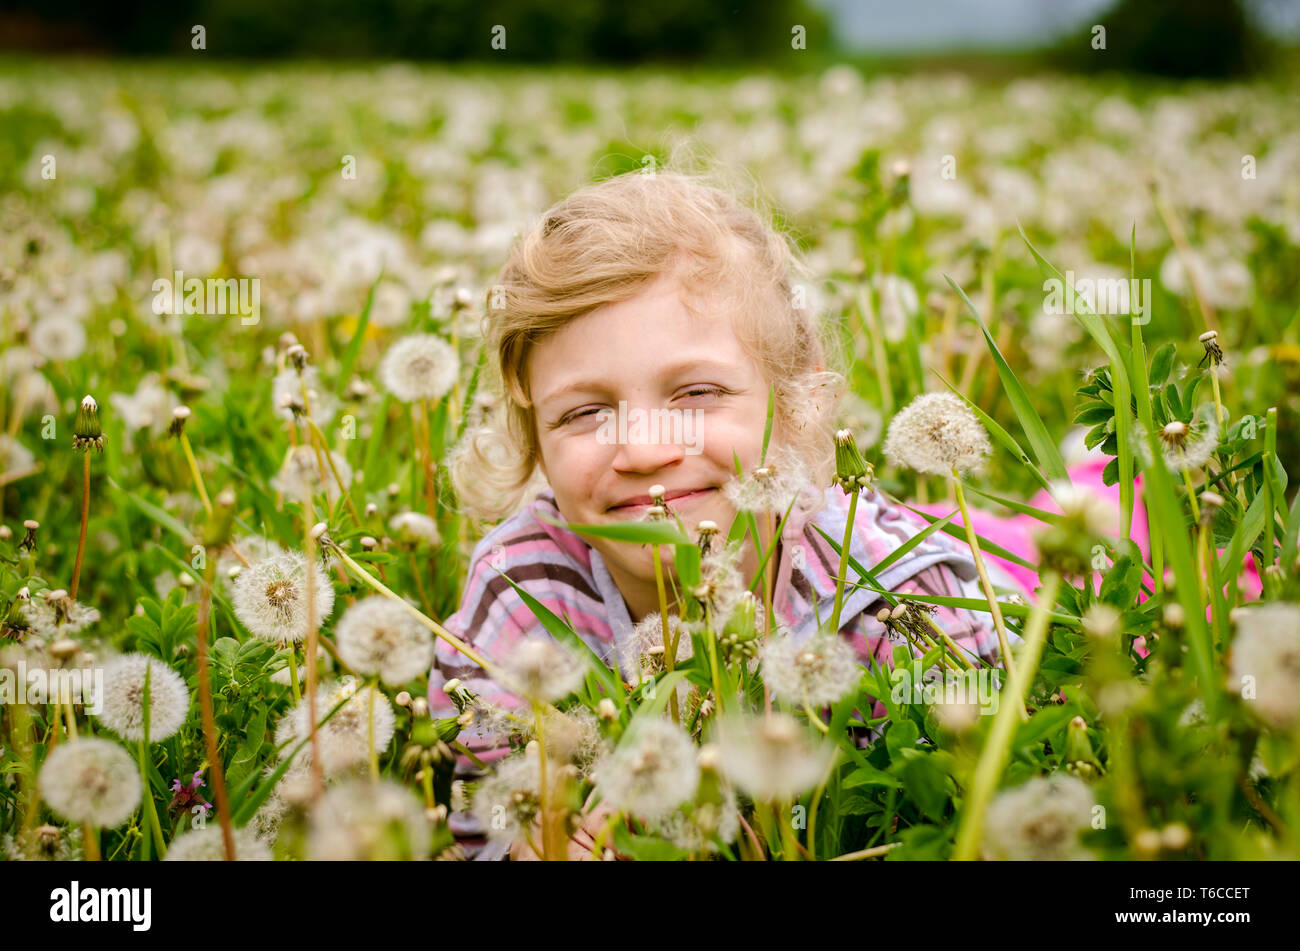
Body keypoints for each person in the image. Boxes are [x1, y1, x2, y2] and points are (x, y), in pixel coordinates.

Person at [432, 166, 1022, 860]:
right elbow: (476, 817)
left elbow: (984, 814)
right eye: (586, 411)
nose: (646, 450)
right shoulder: (521, 593)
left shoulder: (906, 603)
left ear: (795, 400)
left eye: (697, 393)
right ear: (535, 443)